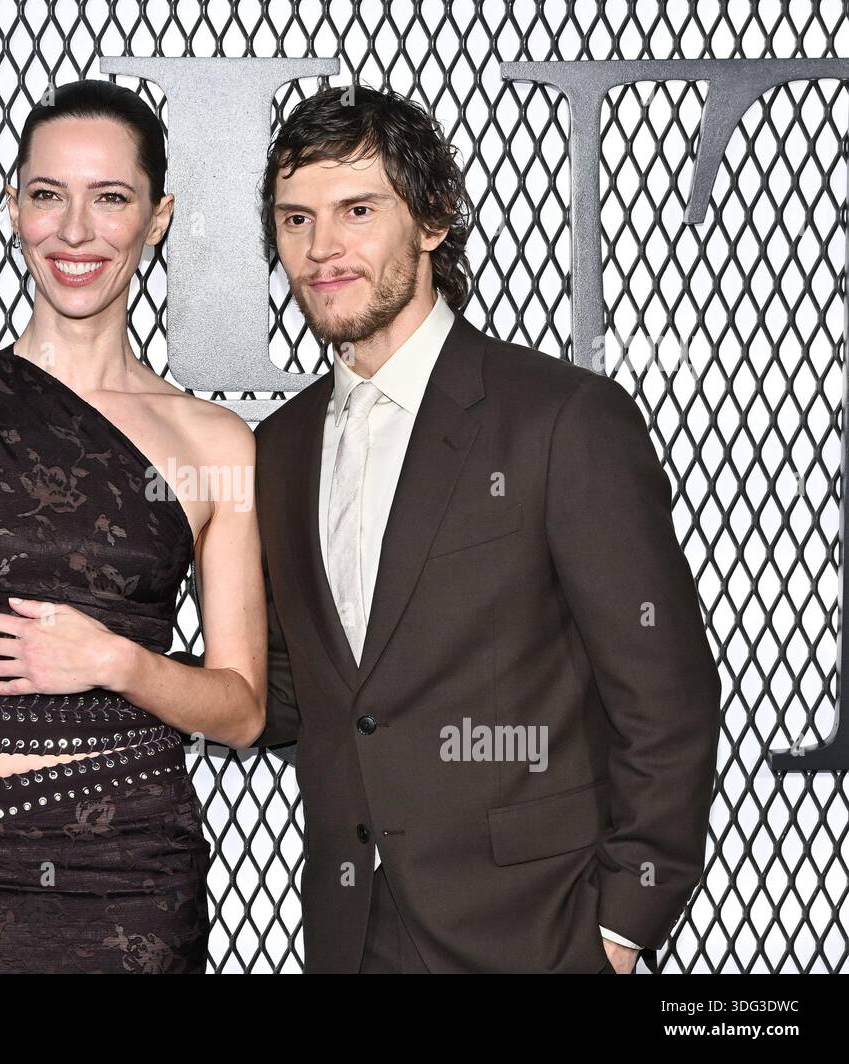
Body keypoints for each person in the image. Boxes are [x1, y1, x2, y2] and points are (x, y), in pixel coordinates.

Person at [248, 85, 721, 973]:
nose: (321, 249)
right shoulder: (279, 447)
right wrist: (118, 666)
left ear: (431, 220)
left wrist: (619, 932)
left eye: (357, 210)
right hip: (351, 935)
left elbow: (666, 694)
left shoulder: (561, 418)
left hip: (536, 931)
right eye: (295, 218)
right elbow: (296, 696)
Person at [0, 79, 265, 973]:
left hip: (135, 881)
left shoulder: (215, 441)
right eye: (49, 196)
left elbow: (242, 709)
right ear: (15, 208)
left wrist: (116, 662)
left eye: (110, 199)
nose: (74, 232)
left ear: (156, 218)